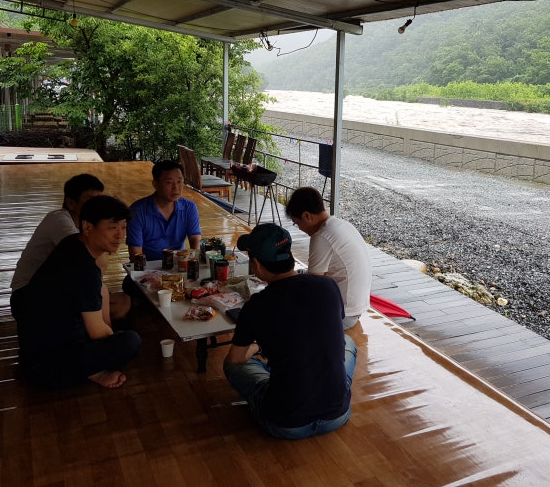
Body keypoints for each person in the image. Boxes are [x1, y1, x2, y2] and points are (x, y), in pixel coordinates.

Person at [224, 223, 357, 439]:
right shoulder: (327, 285)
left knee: (232, 366)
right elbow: (326, 330)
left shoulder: (257, 305)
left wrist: (259, 346)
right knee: (348, 343)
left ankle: (280, 380)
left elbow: (236, 358)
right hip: (338, 414)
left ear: (256, 264)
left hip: (287, 424)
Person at [10, 195, 141, 389]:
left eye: (123, 227)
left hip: (34, 352)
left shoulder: (72, 243)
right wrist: (114, 344)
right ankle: (91, 371)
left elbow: (100, 294)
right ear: (88, 227)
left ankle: (92, 368)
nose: (120, 236)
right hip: (48, 368)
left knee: (119, 324)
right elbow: (98, 332)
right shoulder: (84, 269)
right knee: (131, 341)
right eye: (113, 227)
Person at [10, 174, 128, 324]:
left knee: (124, 302)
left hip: (60, 290)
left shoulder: (84, 227)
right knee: (110, 311)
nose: (97, 206)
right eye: (91, 200)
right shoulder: (60, 221)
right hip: (28, 295)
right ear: (71, 203)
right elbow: (97, 262)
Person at [285, 187, 372, 330]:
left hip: (343, 315)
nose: (300, 228)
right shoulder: (341, 224)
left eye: (297, 223)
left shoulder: (322, 236)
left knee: (282, 312)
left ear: (307, 216)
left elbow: (313, 287)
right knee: (297, 279)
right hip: (356, 308)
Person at [126, 160, 201, 261]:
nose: (176, 188)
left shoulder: (189, 208)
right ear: (155, 184)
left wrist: (192, 263)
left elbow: (195, 242)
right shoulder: (137, 211)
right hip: (148, 267)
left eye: (179, 182)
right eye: (169, 183)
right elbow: (135, 255)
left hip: (178, 265)